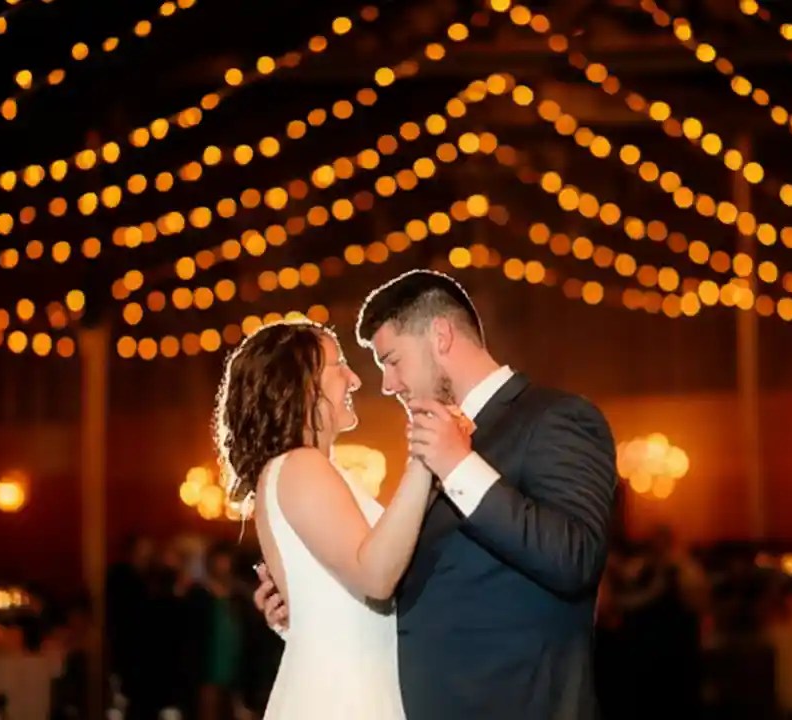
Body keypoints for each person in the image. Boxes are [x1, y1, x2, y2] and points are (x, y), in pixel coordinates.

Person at [253, 269, 618, 719]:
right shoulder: (427, 452)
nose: (386, 384)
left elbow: (575, 557)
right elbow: (395, 581)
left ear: (440, 335)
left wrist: (458, 465)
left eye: (392, 359)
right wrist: (312, 605)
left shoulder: (553, 419)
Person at [213, 319, 435, 719]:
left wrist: (296, 624)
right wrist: (424, 458)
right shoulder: (300, 466)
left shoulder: (302, 470)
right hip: (344, 700)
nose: (354, 380)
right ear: (301, 384)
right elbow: (376, 576)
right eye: (339, 365)